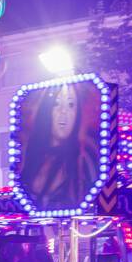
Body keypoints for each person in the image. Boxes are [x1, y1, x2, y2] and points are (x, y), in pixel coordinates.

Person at [20, 83, 101, 211]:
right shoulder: (27, 156)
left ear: (77, 113)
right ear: (46, 110)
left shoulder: (85, 159)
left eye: (71, 105)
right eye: (56, 104)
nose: (63, 112)